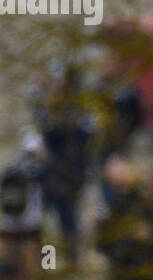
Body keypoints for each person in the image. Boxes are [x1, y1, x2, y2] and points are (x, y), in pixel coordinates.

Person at [34, 63, 95, 269]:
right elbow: (43, 127)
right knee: (40, 219)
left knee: (67, 218)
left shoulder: (76, 108)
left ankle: (71, 262)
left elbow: (61, 130)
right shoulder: (48, 104)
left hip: (68, 173)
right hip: (50, 172)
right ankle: (43, 263)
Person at [0, 132, 46, 280]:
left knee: (9, 258)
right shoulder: (39, 172)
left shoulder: (10, 170)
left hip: (8, 223)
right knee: (46, 250)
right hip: (32, 224)